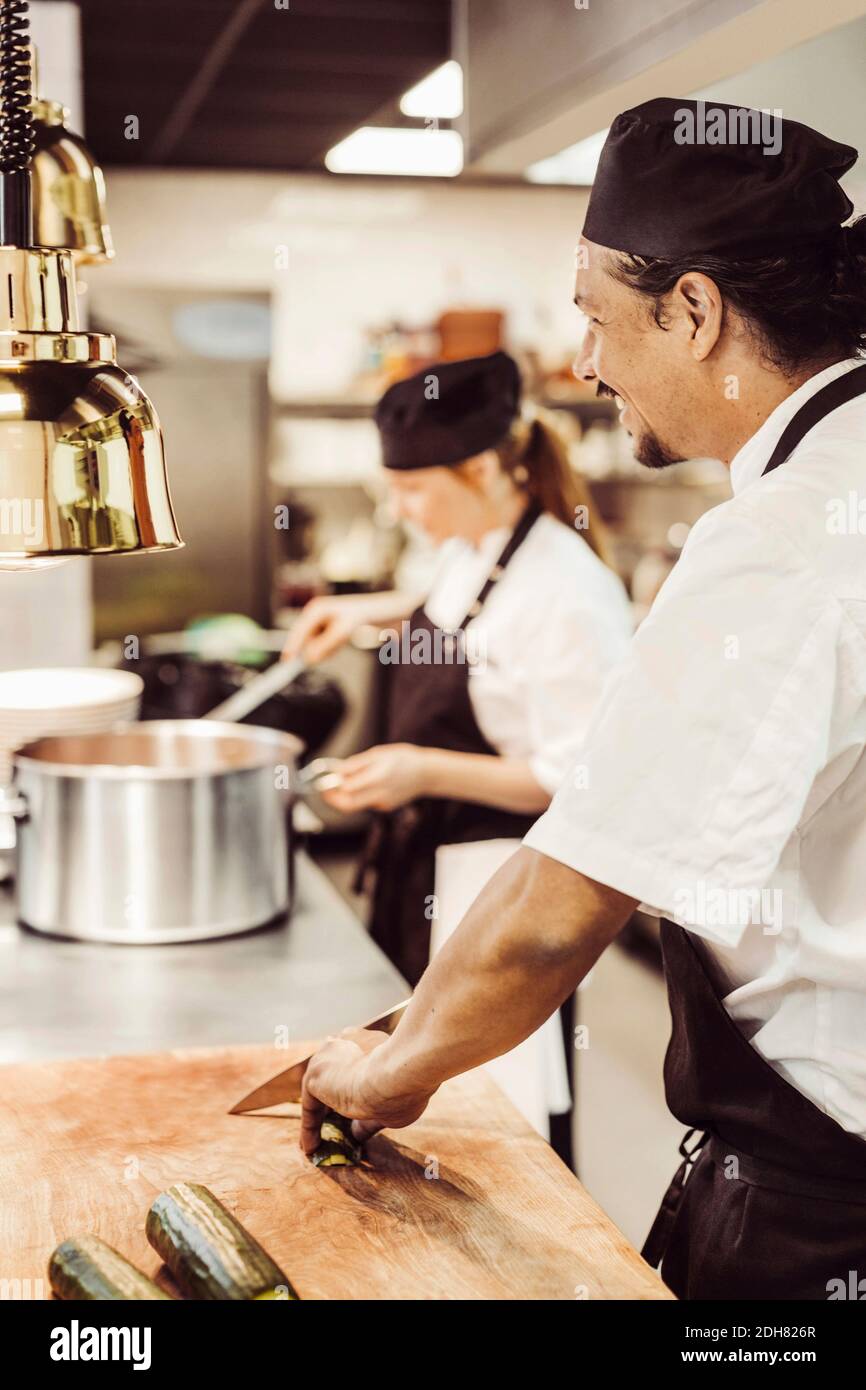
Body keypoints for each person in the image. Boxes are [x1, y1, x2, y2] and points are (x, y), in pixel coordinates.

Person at [298, 98, 866, 1300]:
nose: (587, 363)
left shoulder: (777, 541)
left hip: (823, 1203)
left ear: (695, 310)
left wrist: (387, 1075)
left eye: (598, 319)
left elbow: (563, 905)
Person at [285, 351, 633, 1149]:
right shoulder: (472, 545)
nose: (401, 508)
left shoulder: (570, 593)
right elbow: (456, 614)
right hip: (423, 866)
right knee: (401, 1091)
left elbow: (582, 782)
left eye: (413, 488)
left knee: (485, 1122)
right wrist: (365, 613)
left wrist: (422, 769)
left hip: (497, 890)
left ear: (480, 467)